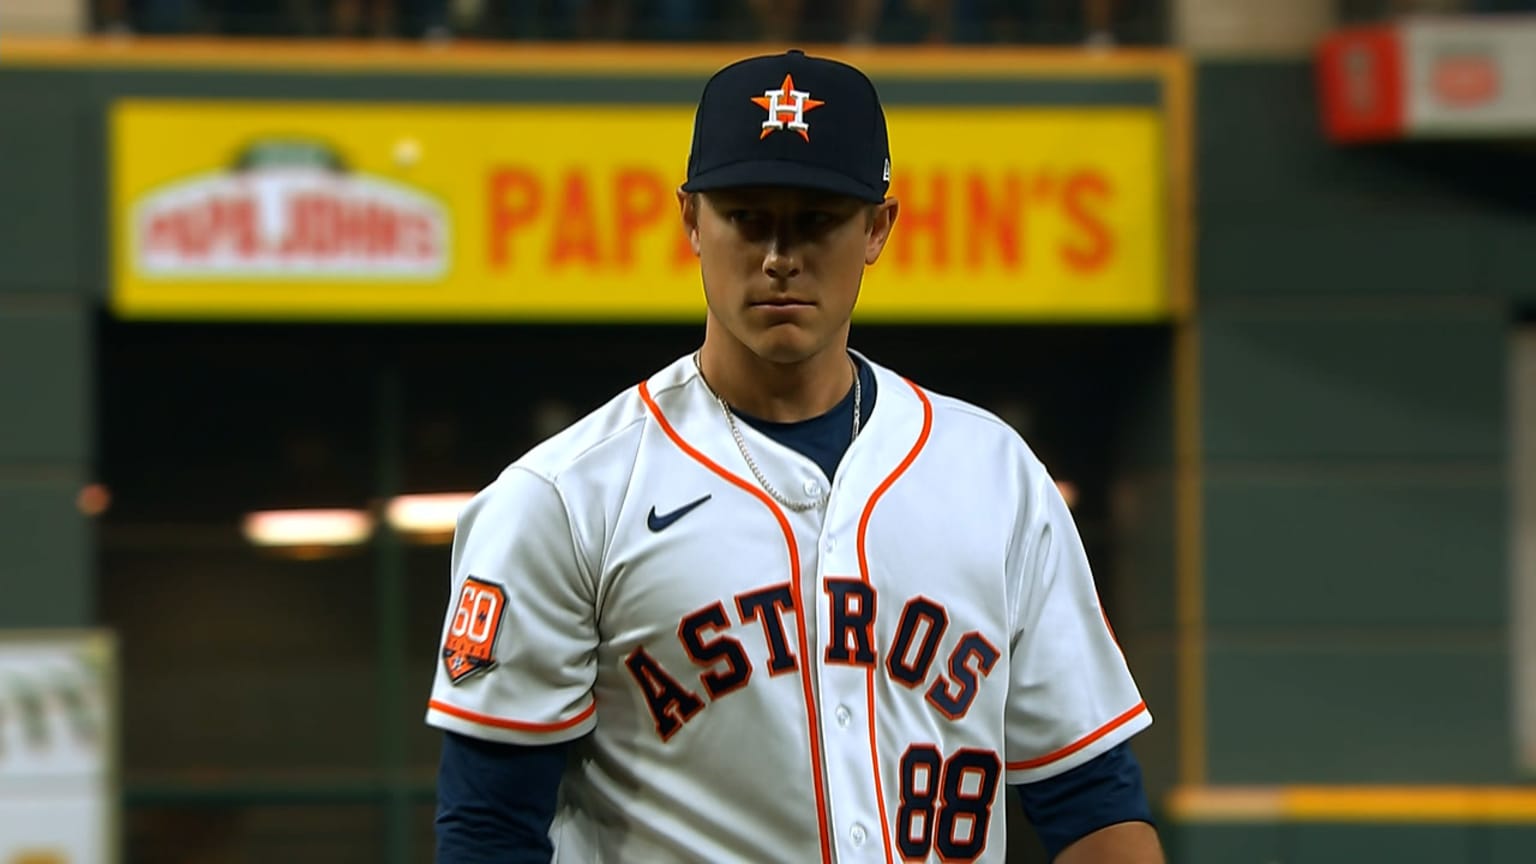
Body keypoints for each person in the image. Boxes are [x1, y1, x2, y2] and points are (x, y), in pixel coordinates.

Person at [427, 48, 1165, 863]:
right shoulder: (566, 497)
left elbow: (1093, 804)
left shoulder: (994, 476)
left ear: (877, 228)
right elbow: (489, 830)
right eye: (748, 217)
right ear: (691, 222)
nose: (781, 255)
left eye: (816, 219)